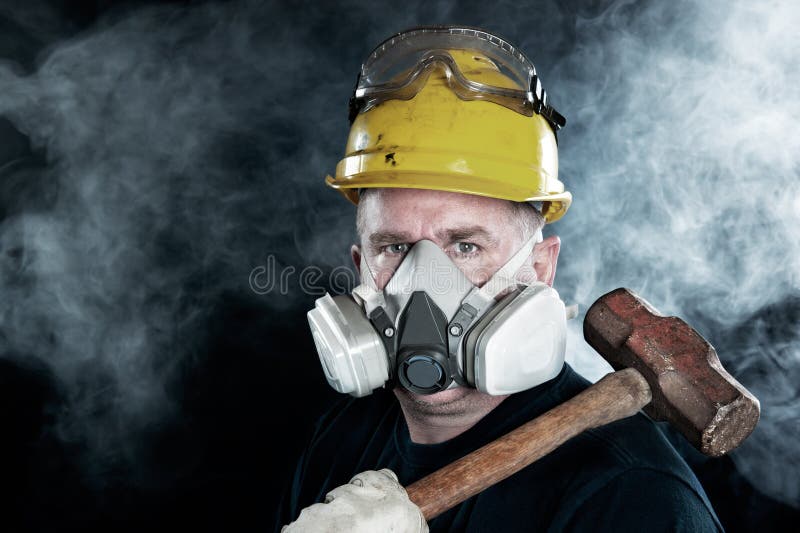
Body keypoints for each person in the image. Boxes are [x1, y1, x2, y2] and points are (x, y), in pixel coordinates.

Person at [276, 26, 723, 532]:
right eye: (395, 247)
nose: (420, 284)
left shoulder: (633, 496)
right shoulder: (341, 438)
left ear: (541, 269)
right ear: (361, 266)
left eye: (465, 247)